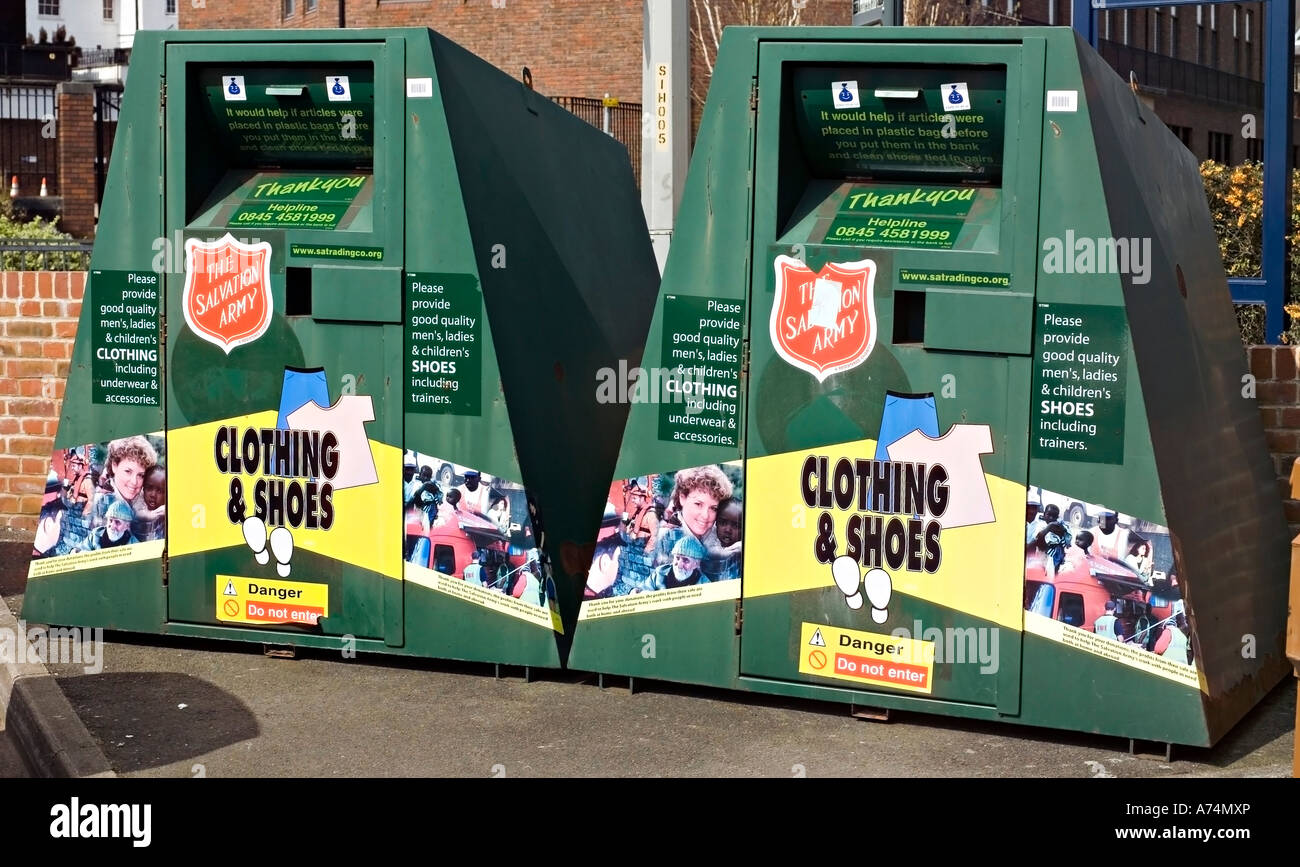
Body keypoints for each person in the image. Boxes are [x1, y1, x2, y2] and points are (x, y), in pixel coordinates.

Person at [653, 465, 733, 576]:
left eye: (713, 508)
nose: (705, 516)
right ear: (682, 498)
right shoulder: (665, 536)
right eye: (698, 504)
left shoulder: (721, 536)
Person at [90, 435, 157, 545]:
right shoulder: (102, 501)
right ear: (114, 466)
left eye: (141, 475)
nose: (134, 482)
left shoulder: (147, 499)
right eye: (128, 471)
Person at [713, 497, 743, 581]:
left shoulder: (742, 549)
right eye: (723, 523)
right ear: (716, 522)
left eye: (736, 526)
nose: (728, 530)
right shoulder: (708, 542)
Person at [134, 464, 167, 542]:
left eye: (159, 491)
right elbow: (136, 514)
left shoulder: (166, 508)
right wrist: (153, 514)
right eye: (149, 488)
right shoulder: (138, 503)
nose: (153, 495)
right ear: (143, 488)